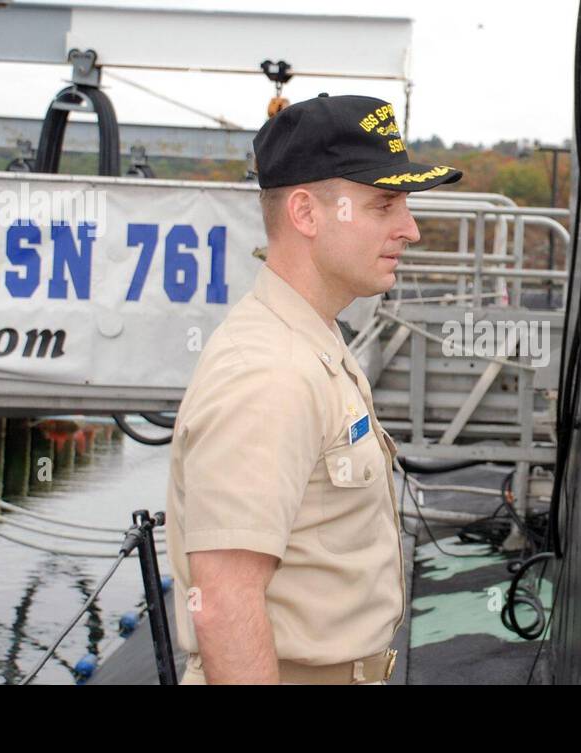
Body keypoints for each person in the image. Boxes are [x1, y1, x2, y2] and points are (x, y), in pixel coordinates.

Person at [164, 94, 462, 684]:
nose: (411, 229)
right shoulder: (269, 372)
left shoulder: (310, 342)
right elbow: (224, 603)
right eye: (385, 204)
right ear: (306, 213)